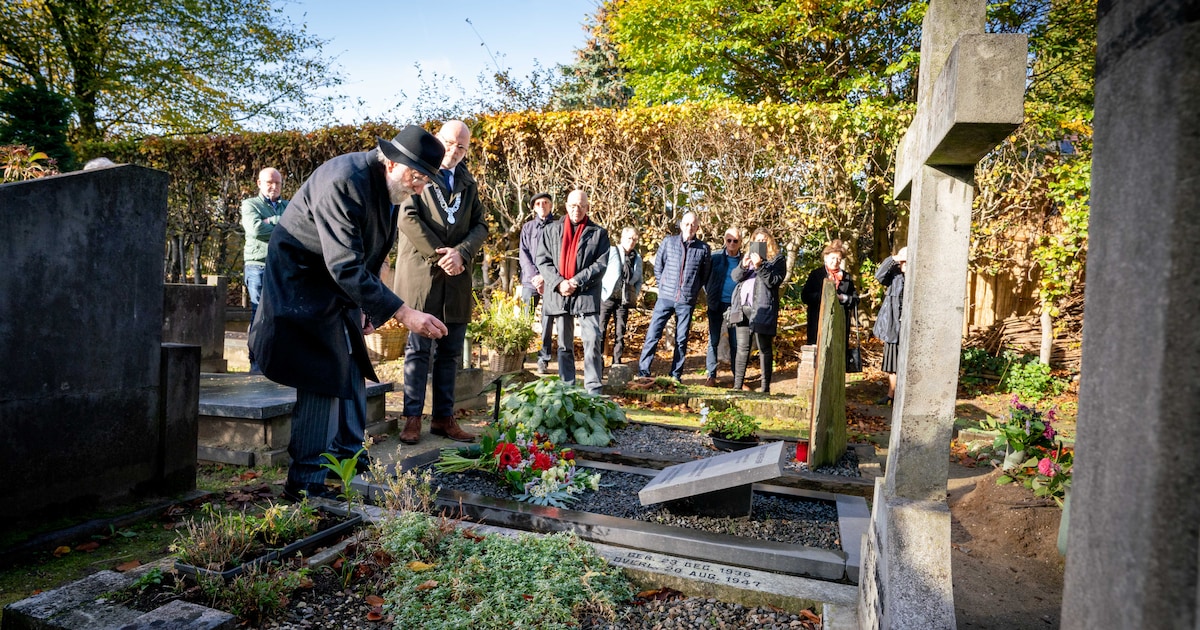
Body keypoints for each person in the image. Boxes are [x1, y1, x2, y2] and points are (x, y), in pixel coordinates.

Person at [250, 125, 449, 501]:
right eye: (417, 176)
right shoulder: (344, 181)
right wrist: (402, 312)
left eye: (426, 179)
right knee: (321, 373)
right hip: (302, 285)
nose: (420, 187)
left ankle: (346, 458)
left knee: (352, 365)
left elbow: (371, 255)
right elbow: (344, 264)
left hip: (338, 287)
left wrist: (370, 308)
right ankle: (305, 485)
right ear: (391, 162)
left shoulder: (390, 188)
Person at [394, 120, 488, 445]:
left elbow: (480, 225)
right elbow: (407, 217)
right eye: (449, 143)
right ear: (438, 139)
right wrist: (441, 255)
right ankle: (412, 419)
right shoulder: (417, 170)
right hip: (424, 276)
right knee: (419, 351)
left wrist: (461, 253)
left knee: (450, 353)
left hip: (457, 280)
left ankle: (444, 419)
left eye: (461, 147)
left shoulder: (467, 182)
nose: (454, 151)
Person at [536, 190, 610, 394]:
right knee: (563, 345)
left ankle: (593, 389)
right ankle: (567, 388)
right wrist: (559, 283)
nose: (576, 209)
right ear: (566, 206)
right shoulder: (551, 230)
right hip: (559, 293)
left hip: (585, 293)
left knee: (593, 339)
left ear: (587, 207)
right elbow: (542, 260)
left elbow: (601, 264)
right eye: (573, 205)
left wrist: (577, 281)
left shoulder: (598, 233)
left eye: (581, 206)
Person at [637, 211, 711, 381]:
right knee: (653, 335)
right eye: (686, 223)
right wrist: (662, 285)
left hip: (686, 301)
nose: (689, 227)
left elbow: (704, 275)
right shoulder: (668, 242)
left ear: (697, 227)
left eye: (693, 224)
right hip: (665, 297)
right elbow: (658, 266)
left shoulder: (703, 249)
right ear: (680, 225)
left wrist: (691, 289)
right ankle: (643, 372)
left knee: (682, 339)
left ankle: (675, 375)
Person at [240, 167, 288, 374]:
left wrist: (270, 221)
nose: (274, 186)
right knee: (259, 314)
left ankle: (277, 362)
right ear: (259, 183)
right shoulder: (250, 204)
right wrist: (281, 222)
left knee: (282, 314)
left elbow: (296, 229)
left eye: (277, 183)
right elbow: (256, 229)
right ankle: (257, 362)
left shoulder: (289, 205)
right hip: (257, 266)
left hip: (282, 266)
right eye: (269, 182)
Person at [730, 229, 786, 393]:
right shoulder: (747, 257)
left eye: (763, 240)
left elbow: (773, 281)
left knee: (764, 348)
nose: (760, 242)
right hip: (742, 307)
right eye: (757, 239)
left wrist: (759, 266)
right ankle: (737, 386)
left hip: (763, 309)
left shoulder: (777, 260)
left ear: (769, 241)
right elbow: (735, 277)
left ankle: (765, 387)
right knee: (742, 348)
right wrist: (743, 265)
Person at [518, 192, 556, 374]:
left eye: (546, 203)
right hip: (529, 281)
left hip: (550, 282)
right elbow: (523, 254)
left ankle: (544, 358)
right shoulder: (528, 228)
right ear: (534, 207)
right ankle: (520, 355)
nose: (542, 206)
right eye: (539, 203)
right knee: (525, 319)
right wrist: (534, 276)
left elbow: (559, 256)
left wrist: (545, 277)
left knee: (547, 321)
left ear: (551, 206)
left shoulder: (558, 227)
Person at [704, 226, 743, 387]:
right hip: (716, 303)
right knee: (713, 340)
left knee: (736, 342)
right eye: (729, 240)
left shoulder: (745, 260)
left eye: (735, 241)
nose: (732, 243)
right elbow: (705, 277)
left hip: (735, 306)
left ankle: (738, 378)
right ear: (724, 240)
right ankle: (711, 376)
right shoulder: (715, 257)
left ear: (740, 242)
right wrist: (710, 293)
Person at [599, 227, 643, 365]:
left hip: (624, 300)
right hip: (607, 297)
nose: (632, 242)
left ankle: (617, 362)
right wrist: (602, 291)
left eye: (635, 239)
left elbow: (639, 279)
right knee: (601, 330)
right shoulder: (612, 251)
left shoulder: (637, 258)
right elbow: (600, 271)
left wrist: (634, 294)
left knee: (620, 333)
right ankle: (598, 362)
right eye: (629, 238)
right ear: (622, 238)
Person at [801, 239, 858, 346]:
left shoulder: (847, 277)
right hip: (818, 323)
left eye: (839, 259)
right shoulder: (816, 274)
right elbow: (805, 296)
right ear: (826, 257)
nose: (835, 261)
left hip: (840, 325)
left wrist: (843, 298)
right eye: (833, 258)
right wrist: (824, 296)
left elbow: (855, 300)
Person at [872, 246, 907, 405]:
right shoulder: (893, 275)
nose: (906, 263)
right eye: (903, 261)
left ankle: (904, 396)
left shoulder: (920, 277)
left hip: (909, 328)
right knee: (892, 364)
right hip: (893, 326)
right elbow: (879, 276)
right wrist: (893, 259)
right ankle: (891, 395)